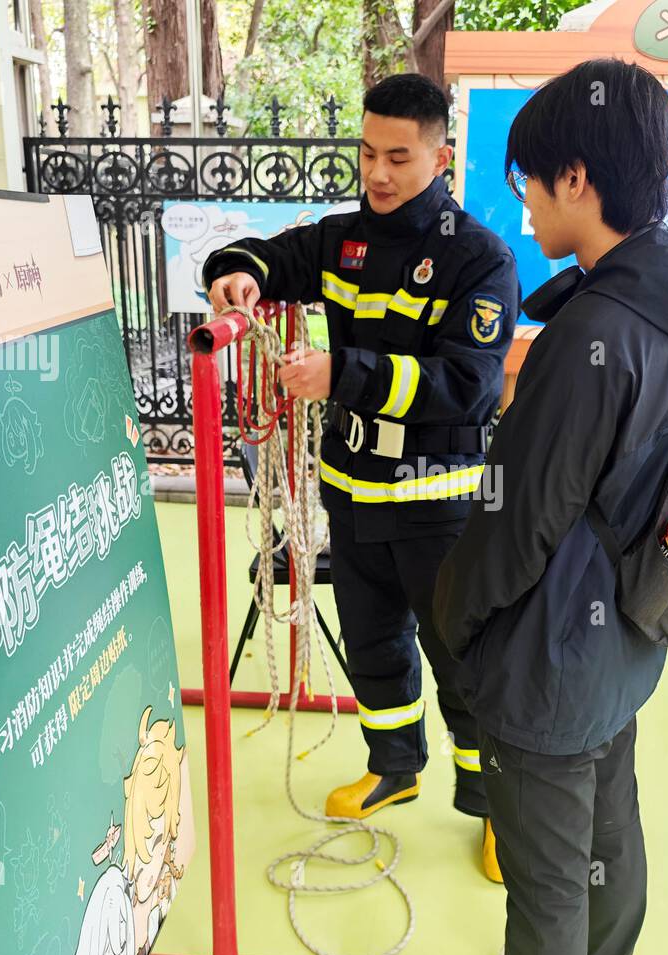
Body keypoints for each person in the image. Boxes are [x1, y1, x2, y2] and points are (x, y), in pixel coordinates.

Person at [433, 58, 668, 955]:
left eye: (530, 179)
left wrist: (453, 620)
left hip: (548, 657)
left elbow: (518, 519)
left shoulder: (594, 334)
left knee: (549, 884)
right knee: (610, 843)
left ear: (577, 178)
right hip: (621, 636)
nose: (522, 202)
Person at [202, 73, 519, 880]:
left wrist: (343, 371)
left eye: (399, 158)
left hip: (435, 498)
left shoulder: (477, 259)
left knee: (460, 657)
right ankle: (394, 768)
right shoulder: (342, 237)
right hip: (349, 491)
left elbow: (467, 386)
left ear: (441, 157)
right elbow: (259, 259)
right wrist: (234, 277)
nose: (378, 174)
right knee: (374, 642)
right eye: (368, 153)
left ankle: (494, 806)